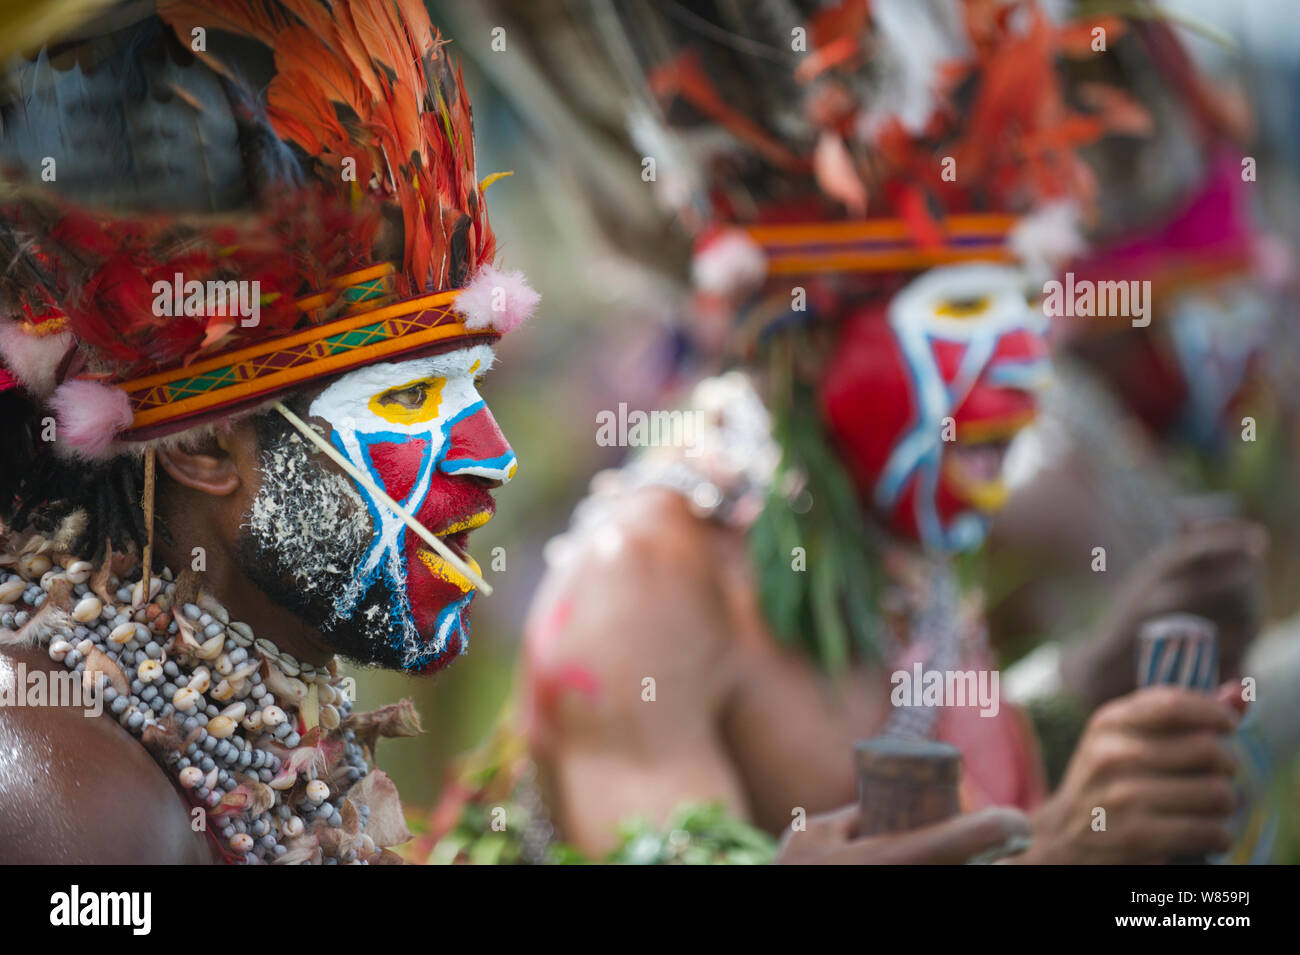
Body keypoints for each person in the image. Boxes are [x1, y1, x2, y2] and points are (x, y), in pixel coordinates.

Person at [427, 0, 1245, 865]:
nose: (1024, 366)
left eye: (1027, 306)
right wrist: (1061, 855)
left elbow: (930, 799)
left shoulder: (888, 519)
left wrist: (1076, 692)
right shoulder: (642, 585)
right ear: (809, 338)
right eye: (965, 308)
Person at [0, 0, 536, 864]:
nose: (493, 456)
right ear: (201, 446)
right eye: (403, 403)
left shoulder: (216, 741)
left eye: (469, 391)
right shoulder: (70, 801)